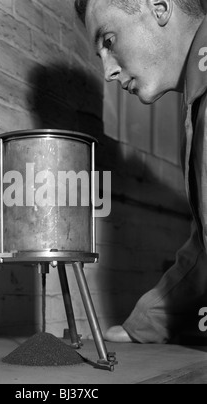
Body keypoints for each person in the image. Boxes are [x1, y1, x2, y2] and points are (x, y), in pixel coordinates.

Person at [74, 0, 207, 344]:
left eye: (109, 41)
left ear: (159, 7)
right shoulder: (196, 101)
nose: (108, 72)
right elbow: (202, 254)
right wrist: (143, 327)